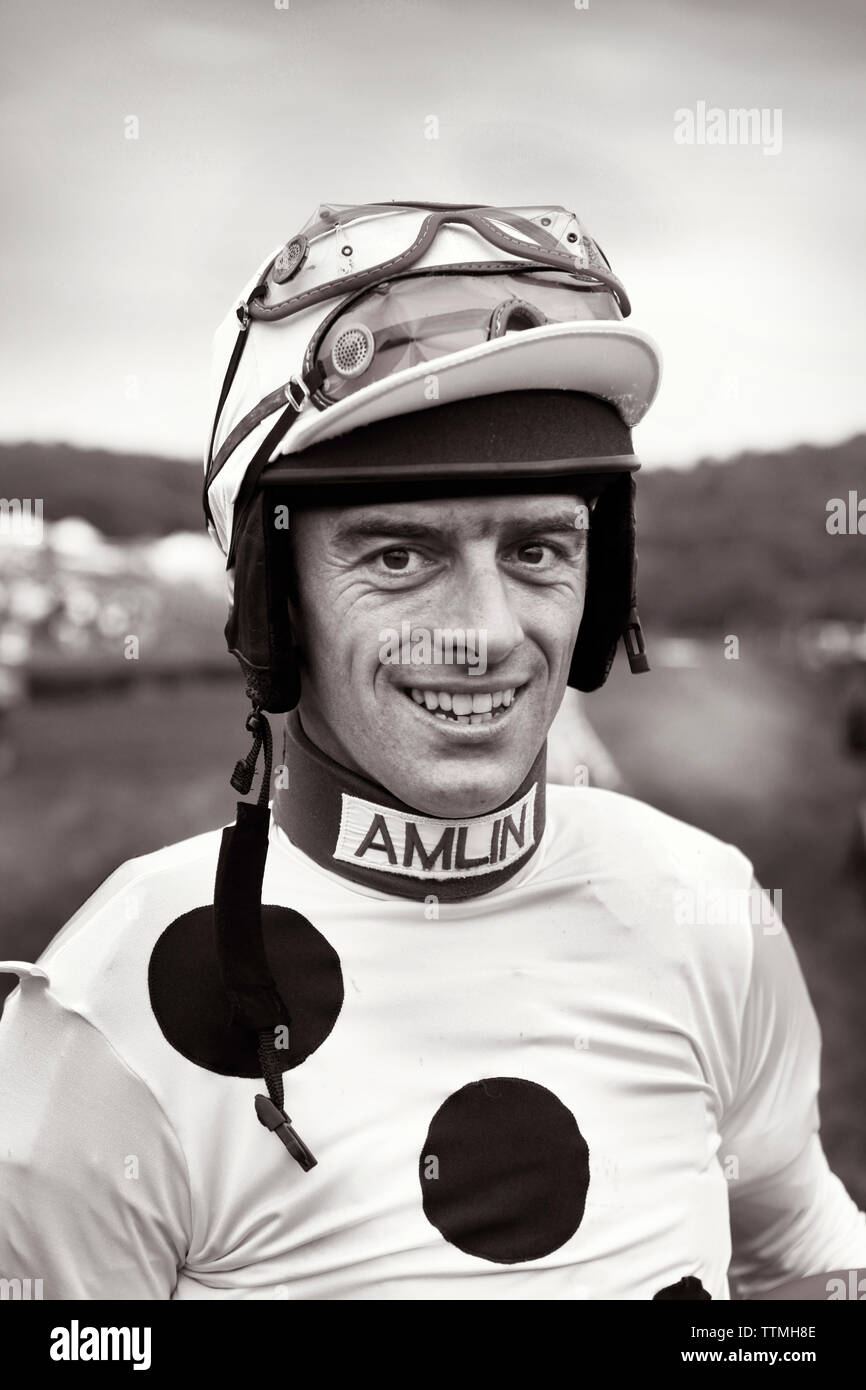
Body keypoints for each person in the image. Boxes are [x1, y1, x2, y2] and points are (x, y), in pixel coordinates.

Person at [1, 200, 864, 1302]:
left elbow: (798, 1255)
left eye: (538, 547)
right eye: (399, 554)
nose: (489, 633)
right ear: (278, 606)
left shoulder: (713, 912)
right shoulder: (97, 1024)